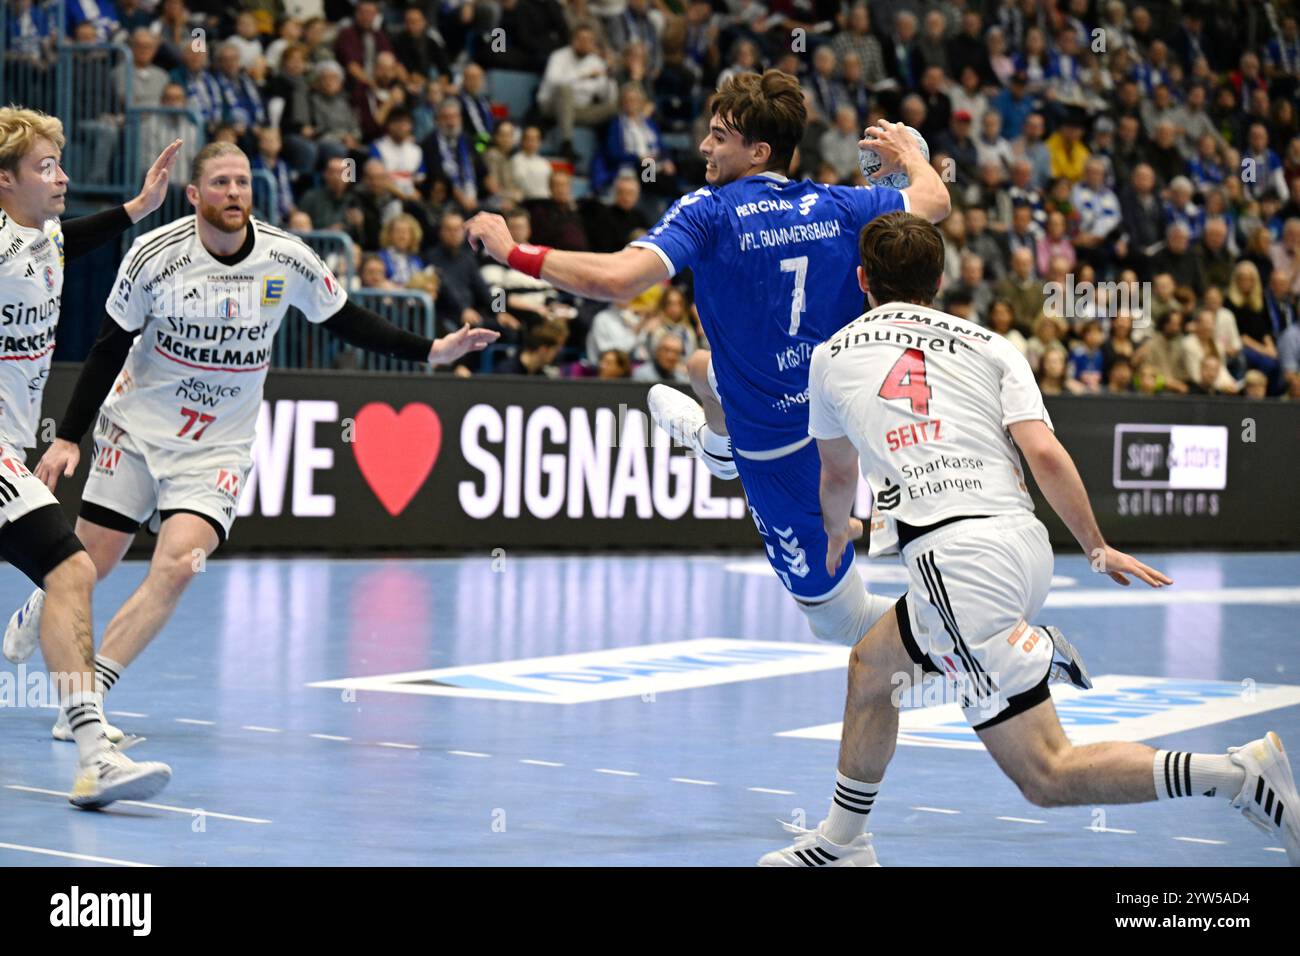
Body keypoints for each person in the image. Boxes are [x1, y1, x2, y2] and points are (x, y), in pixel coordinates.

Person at [761, 211, 1298, 867]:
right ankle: (845, 842)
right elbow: (1043, 454)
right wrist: (1096, 545)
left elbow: (838, 472)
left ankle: (1237, 773)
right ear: (938, 280)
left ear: (863, 279)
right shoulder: (991, 343)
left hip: (953, 562)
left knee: (1046, 773)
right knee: (874, 669)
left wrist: (838, 534)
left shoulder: (831, 354)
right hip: (1023, 544)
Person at [3, 143, 498, 744]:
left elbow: (344, 318)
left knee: (180, 563)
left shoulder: (286, 258)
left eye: (242, 182)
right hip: (135, 429)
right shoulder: (154, 256)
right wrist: (72, 438)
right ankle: (40, 604)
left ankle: (88, 701)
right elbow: (109, 345)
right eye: (220, 183)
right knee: (93, 561)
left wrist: (432, 350)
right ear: (194, 195)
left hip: (217, 447)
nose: (234, 192)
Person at [467, 69, 956, 652]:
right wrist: (911, 155)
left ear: (758, 151)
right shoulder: (843, 204)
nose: (704, 145)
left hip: (773, 448)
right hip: (834, 419)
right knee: (702, 368)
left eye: (720, 136)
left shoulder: (710, 211)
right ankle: (715, 448)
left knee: (839, 622)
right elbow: (936, 200)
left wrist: (512, 250)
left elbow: (617, 281)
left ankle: (974, 640)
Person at [0, 108, 180, 808]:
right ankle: (94, 753)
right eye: (46, 166)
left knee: (64, 571)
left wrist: (136, 208)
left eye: (60, 162)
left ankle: (90, 750)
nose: (63, 175)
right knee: (70, 566)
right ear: (5, 181)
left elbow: (71, 238)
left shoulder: (43, 240)